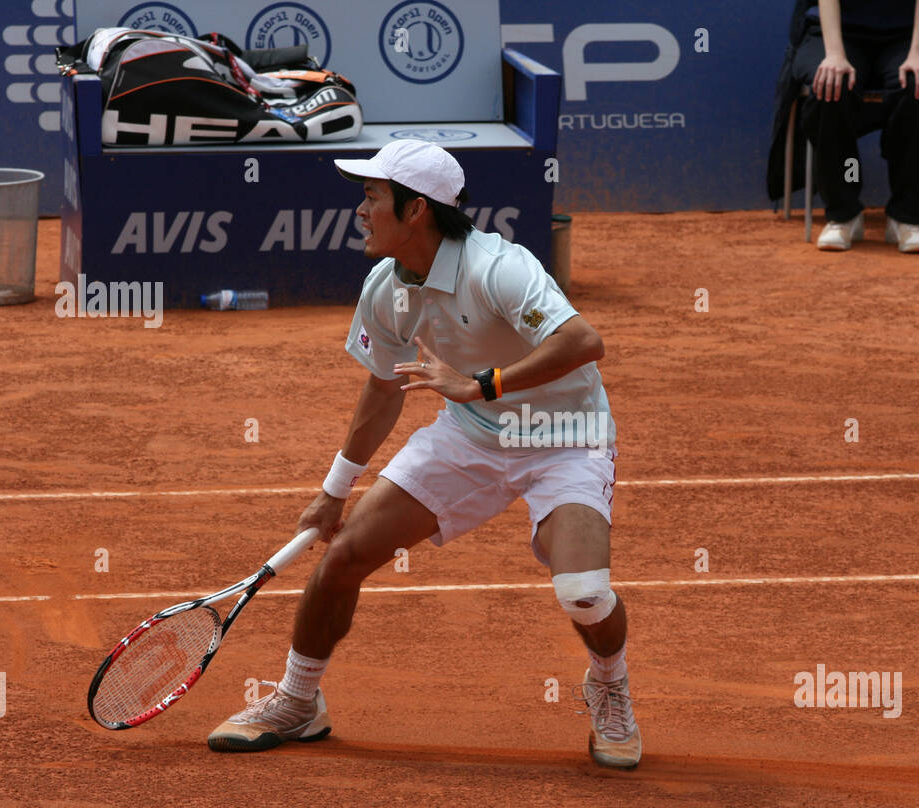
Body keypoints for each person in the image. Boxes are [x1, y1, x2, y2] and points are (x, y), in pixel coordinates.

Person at [206, 139, 641, 769]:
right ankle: (299, 702)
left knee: (581, 590)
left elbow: (584, 341)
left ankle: (609, 682)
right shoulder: (385, 287)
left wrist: (483, 383)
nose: (360, 209)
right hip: (470, 434)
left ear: (417, 211)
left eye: (373, 195)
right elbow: (383, 388)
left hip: (564, 436)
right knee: (344, 556)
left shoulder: (498, 267)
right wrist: (335, 490)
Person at [766, 0, 919, 253]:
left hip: (910, 34)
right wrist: (834, 53)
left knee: (918, 86)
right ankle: (844, 215)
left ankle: (906, 218)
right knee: (830, 84)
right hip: (836, 33)